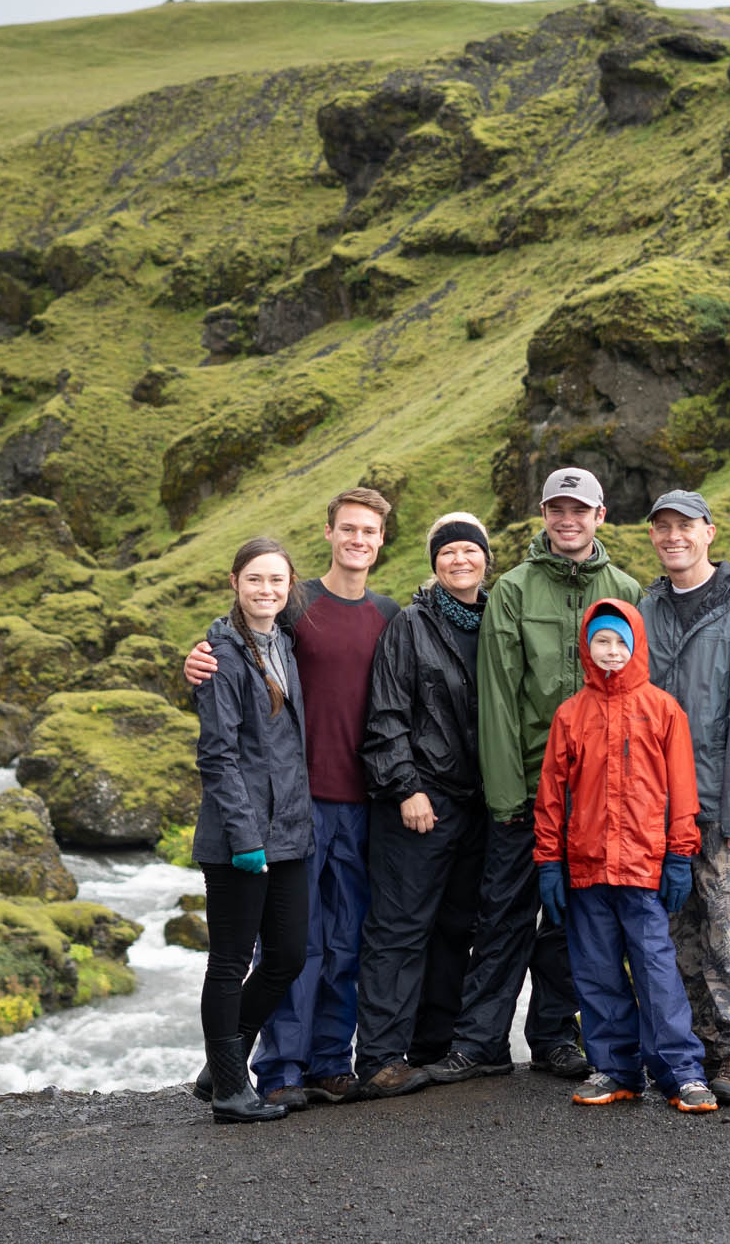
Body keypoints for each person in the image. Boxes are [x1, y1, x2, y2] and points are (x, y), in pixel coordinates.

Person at [425, 466, 643, 1086]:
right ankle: (480, 1042)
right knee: (503, 916)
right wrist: (505, 796)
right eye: (556, 509)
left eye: (579, 509)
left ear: (600, 516)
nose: (567, 520)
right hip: (527, 791)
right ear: (543, 515)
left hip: (599, 798)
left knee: (574, 923)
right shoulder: (515, 590)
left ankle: (553, 1036)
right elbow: (496, 700)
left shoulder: (625, 588)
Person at [184, 487, 400, 1109]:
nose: (359, 540)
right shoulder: (297, 610)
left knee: (343, 941)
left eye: (370, 531)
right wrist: (196, 660)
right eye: (348, 529)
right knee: (289, 948)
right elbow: (229, 658)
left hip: (362, 804)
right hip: (288, 809)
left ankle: (330, 1061)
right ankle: (277, 1069)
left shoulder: (389, 613)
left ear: (382, 541)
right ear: (329, 533)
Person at [535, 601, 715, 1113]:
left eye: (620, 642)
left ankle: (681, 1070)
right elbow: (551, 795)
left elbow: (682, 793)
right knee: (596, 972)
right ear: (586, 648)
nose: (611, 653)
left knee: (656, 970)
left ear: (636, 645)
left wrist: (679, 856)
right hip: (587, 870)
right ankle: (615, 1068)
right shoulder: (571, 715)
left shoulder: (663, 710)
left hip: (643, 869)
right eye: (601, 642)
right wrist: (550, 861)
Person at [639, 488, 730, 1106]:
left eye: (684, 527)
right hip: (658, 806)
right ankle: (694, 1046)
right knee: (675, 930)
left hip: (720, 801)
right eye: (662, 528)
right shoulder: (647, 608)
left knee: (729, 928)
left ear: (709, 534)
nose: (673, 537)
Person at [352, 512, 494, 1098]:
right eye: (448, 552)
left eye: (470, 551)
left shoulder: (497, 618)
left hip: (479, 803)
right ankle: (382, 1056)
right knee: (399, 928)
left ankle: (433, 1047)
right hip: (421, 800)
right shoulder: (410, 624)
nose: (460, 560)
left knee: (455, 927)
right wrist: (406, 788)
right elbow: (385, 716)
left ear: (487, 558)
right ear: (433, 563)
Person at [189, 537, 311, 1124]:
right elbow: (217, 756)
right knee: (230, 960)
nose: (267, 590)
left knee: (288, 954)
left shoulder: (284, 641)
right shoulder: (220, 654)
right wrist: (244, 839)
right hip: (241, 837)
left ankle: (223, 1062)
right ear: (234, 582)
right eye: (256, 579)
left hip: (288, 830)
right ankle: (233, 1093)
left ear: (290, 587)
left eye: (277, 581)